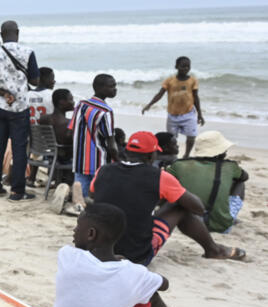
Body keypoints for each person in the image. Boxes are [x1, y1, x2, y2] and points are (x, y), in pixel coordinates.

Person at [52, 203, 205, 307]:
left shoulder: (67, 256)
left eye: (77, 226)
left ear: (91, 234)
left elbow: (96, 265)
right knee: (148, 291)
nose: (74, 231)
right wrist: (127, 265)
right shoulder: (134, 273)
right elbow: (164, 284)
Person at [91, 131, 245, 264]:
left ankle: (214, 250)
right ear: (151, 156)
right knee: (179, 207)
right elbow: (198, 208)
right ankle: (214, 250)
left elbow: (94, 193)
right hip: (135, 256)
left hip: (97, 252)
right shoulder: (159, 177)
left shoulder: (103, 170)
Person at [0, 21, 40, 201]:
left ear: (1, 34)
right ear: (17, 33)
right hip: (20, 106)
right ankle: (17, 191)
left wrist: (3, 93)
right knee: (20, 149)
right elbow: (35, 81)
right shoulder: (27, 52)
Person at [168, 131, 248, 234]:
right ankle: (225, 214)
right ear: (221, 151)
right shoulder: (230, 166)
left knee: (175, 182)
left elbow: (165, 178)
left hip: (187, 224)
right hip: (221, 226)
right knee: (239, 183)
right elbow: (244, 177)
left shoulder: (179, 165)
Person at [69, 74, 119, 203]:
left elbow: (72, 128)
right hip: (98, 159)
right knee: (98, 195)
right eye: (112, 86)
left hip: (80, 157)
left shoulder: (81, 105)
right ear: (100, 88)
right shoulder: (105, 111)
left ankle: (75, 203)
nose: (115, 89)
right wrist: (119, 161)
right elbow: (111, 142)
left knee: (79, 192)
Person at [142, 56, 205, 157]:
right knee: (171, 138)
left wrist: (200, 115)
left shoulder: (192, 81)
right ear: (176, 66)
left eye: (188, 66)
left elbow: (196, 97)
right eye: (182, 66)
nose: (185, 68)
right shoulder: (170, 80)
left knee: (191, 136)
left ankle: (187, 154)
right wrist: (149, 105)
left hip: (188, 114)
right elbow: (160, 94)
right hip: (173, 115)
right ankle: (172, 155)